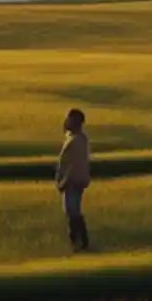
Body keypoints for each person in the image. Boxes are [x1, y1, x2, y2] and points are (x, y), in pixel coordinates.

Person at [56, 108, 92, 252]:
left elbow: (73, 164)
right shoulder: (76, 138)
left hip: (73, 181)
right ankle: (78, 241)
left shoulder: (76, 140)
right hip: (75, 180)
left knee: (72, 210)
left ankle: (79, 241)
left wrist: (64, 180)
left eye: (69, 119)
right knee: (71, 210)